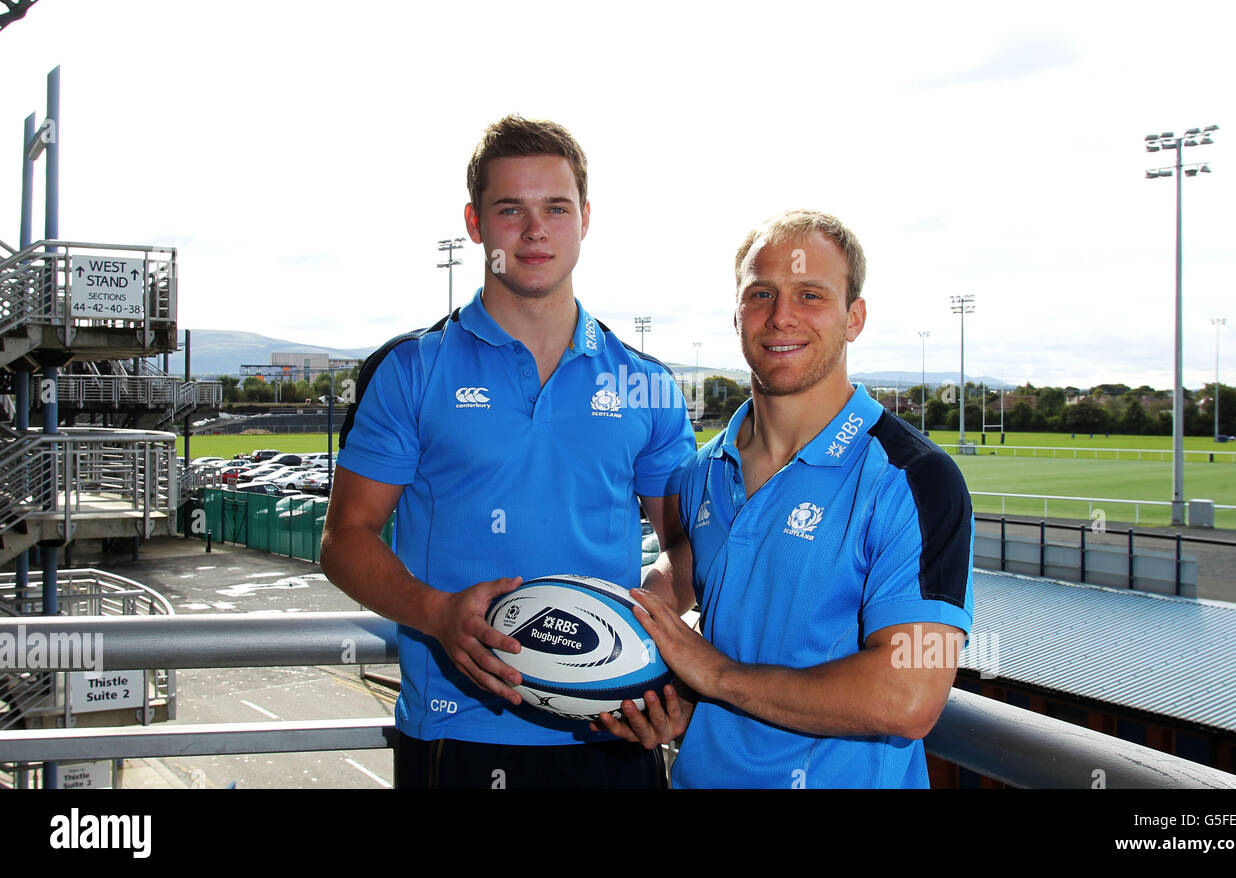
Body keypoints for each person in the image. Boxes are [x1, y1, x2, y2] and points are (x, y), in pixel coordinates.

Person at [320, 116, 696, 789]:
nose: (534, 231)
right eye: (509, 210)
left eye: (555, 208)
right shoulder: (411, 370)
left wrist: (644, 628)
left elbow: (685, 543)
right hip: (458, 728)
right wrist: (435, 612)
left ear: (585, 218)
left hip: (612, 726)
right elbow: (345, 538)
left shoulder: (644, 381)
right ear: (475, 224)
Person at [598, 209, 975, 788]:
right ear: (738, 313)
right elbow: (687, 569)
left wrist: (714, 676)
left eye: (811, 295)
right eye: (762, 294)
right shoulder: (705, 470)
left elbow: (907, 695)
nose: (781, 317)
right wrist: (654, 683)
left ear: (855, 318)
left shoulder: (914, 480)